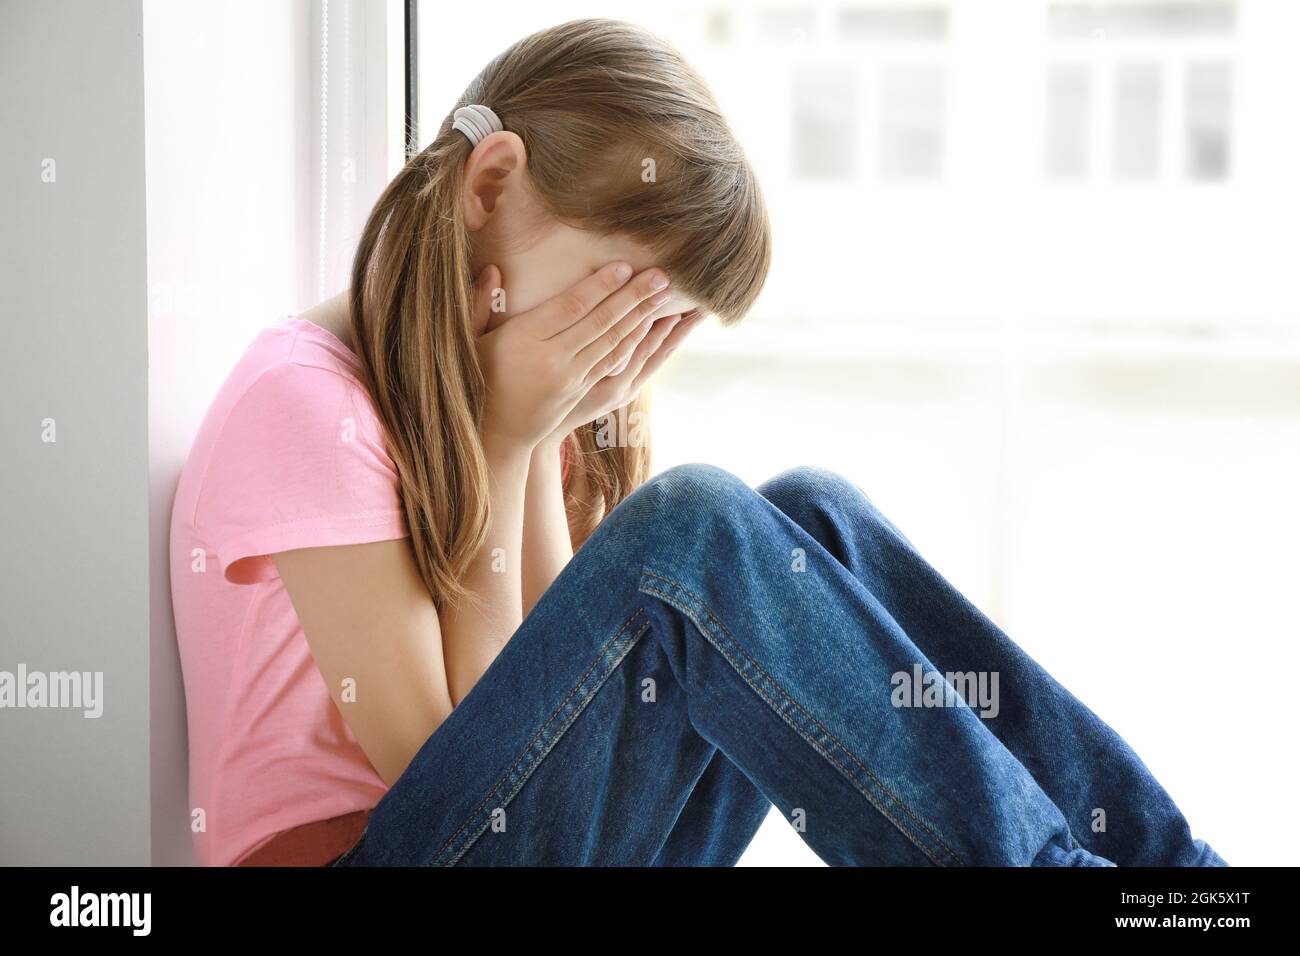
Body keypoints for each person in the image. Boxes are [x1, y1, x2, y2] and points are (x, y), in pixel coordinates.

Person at [169, 17, 1226, 867]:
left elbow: (554, 714)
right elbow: (436, 762)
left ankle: (1168, 876)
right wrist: (507, 441)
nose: (627, 351)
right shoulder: (304, 403)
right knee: (696, 527)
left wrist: (540, 440)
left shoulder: (507, 413)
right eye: (619, 300)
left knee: (811, 516)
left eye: (662, 326)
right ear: (489, 187)